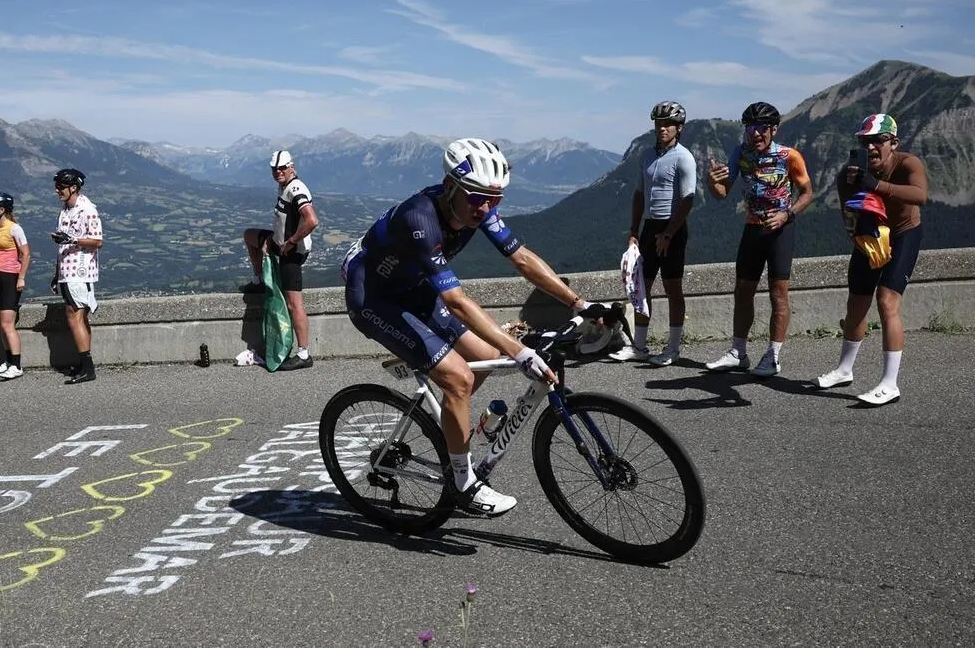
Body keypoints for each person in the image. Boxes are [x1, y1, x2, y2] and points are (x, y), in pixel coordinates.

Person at [342, 138, 595, 516]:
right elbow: (457, 301)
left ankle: (452, 430)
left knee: (486, 355)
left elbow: (522, 259)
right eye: (478, 197)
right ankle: (462, 483)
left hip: (413, 288)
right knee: (459, 378)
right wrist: (521, 351)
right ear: (450, 188)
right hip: (374, 299)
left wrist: (581, 304)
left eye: (495, 199)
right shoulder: (419, 220)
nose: (486, 207)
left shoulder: (481, 207)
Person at [813, 114, 927, 405]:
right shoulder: (847, 175)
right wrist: (860, 237)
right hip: (870, 234)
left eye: (878, 140)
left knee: (887, 300)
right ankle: (844, 369)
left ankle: (890, 384)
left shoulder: (907, 163)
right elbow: (847, 216)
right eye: (865, 141)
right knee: (856, 303)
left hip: (904, 234)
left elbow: (920, 196)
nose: (872, 147)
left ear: (894, 142)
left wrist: (875, 185)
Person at [704, 102, 813, 377]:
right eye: (751, 128)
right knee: (742, 291)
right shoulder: (740, 153)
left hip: (780, 229)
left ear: (773, 130)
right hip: (752, 229)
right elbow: (721, 193)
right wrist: (710, 181)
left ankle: (773, 356)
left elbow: (807, 193)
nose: (756, 134)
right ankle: (738, 352)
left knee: (778, 294)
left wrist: (786, 215)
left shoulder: (790, 156)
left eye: (762, 128)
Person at [610, 101, 696, 366]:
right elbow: (639, 194)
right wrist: (634, 231)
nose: (662, 128)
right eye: (659, 124)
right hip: (649, 228)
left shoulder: (684, 157)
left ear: (679, 128)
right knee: (641, 287)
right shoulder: (647, 154)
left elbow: (687, 200)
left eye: (668, 124)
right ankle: (640, 346)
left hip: (673, 228)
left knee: (673, 289)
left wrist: (668, 234)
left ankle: (672, 348)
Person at [241, 150, 319, 371]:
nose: (278, 172)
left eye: (283, 168)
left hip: (291, 253)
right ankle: (257, 281)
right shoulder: (283, 185)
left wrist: (292, 241)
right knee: (250, 236)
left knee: (294, 304)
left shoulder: (296, 188)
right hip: (279, 243)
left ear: (292, 167)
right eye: (274, 169)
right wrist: (274, 242)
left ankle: (304, 354)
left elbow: (312, 220)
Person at [50, 168, 104, 385]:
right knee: (79, 317)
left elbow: (97, 241)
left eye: (61, 187)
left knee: (74, 317)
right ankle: (84, 365)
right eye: (57, 187)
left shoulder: (87, 210)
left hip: (79, 271)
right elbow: (64, 243)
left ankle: (87, 367)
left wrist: (72, 239)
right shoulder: (65, 211)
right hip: (67, 270)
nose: (57, 191)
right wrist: (57, 273)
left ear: (74, 187)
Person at [0, 192, 30, 380]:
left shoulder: (15, 229)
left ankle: (16, 366)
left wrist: (21, 278)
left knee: (8, 324)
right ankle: (8, 361)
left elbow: (25, 254)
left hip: (11, 278)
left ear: (1, 210)